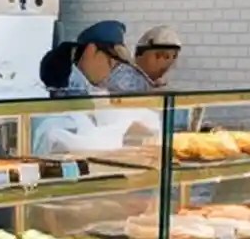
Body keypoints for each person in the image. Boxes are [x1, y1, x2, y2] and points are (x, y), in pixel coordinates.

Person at [34, 21, 160, 155]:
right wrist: (123, 133)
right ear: (91, 50)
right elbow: (64, 135)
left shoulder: (95, 87)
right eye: (111, 61)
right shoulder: (67, 78)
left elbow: (108, 114)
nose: (113, 69)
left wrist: (138, 122)